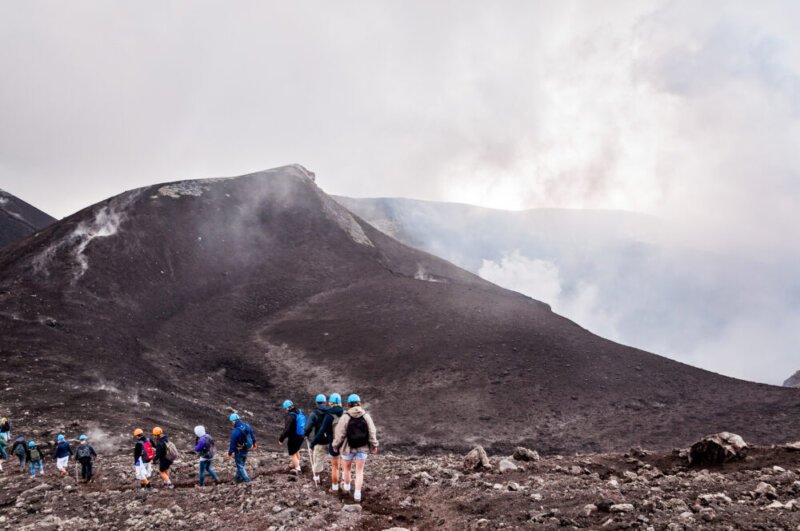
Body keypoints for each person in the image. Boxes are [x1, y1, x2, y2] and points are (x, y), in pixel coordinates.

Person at [332, 394, 379, 502]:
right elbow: (372, 431)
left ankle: (347, 489)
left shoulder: (345, 416)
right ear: (359, 402)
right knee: (359, 471)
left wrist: (335, 445)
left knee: (347, 469)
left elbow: (340, 434)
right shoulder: (366, 416)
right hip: (362, 448)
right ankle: (357, 495)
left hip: (347, 448)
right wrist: (374, 445)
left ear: (348, 404)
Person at [311, 392, 344, 492]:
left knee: (335, 467)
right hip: (345, 444)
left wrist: (313, 443)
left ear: (331, 403)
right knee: (343, 466)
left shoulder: (329, 415)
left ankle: (334, 488)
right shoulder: (344, 413)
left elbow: (322, 431)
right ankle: (345, 485)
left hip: (333, 444)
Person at [304, 394, 331, 484]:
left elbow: (308, 427)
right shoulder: (331, 412)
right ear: (325, 402)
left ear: (316, 402)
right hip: (331, 440)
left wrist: (306, 434)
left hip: (319, 441)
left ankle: (317, 478)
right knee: (336, 461)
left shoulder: (314, 414)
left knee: (318, 460)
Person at [227, 413, 256, 484]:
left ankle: (247, 481)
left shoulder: (235, 432)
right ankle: (238, 478)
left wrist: (229, 453)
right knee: (241, 465)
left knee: (240, 467)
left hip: (239, 452)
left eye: (232, 422)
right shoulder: (247, 426)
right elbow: (252, 435)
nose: (231, 423)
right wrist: (254, 443)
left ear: (234, 421)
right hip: (246, 450)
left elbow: (232, 445)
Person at [279, 400, 305, 475]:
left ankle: (298, 468)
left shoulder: (290, 416)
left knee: (292, 453)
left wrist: (281, 439)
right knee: (296, 450)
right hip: (301, 436)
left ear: (287, 408)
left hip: (294, 437)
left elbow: (287, 429)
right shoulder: (299, 412)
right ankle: (294, 464)